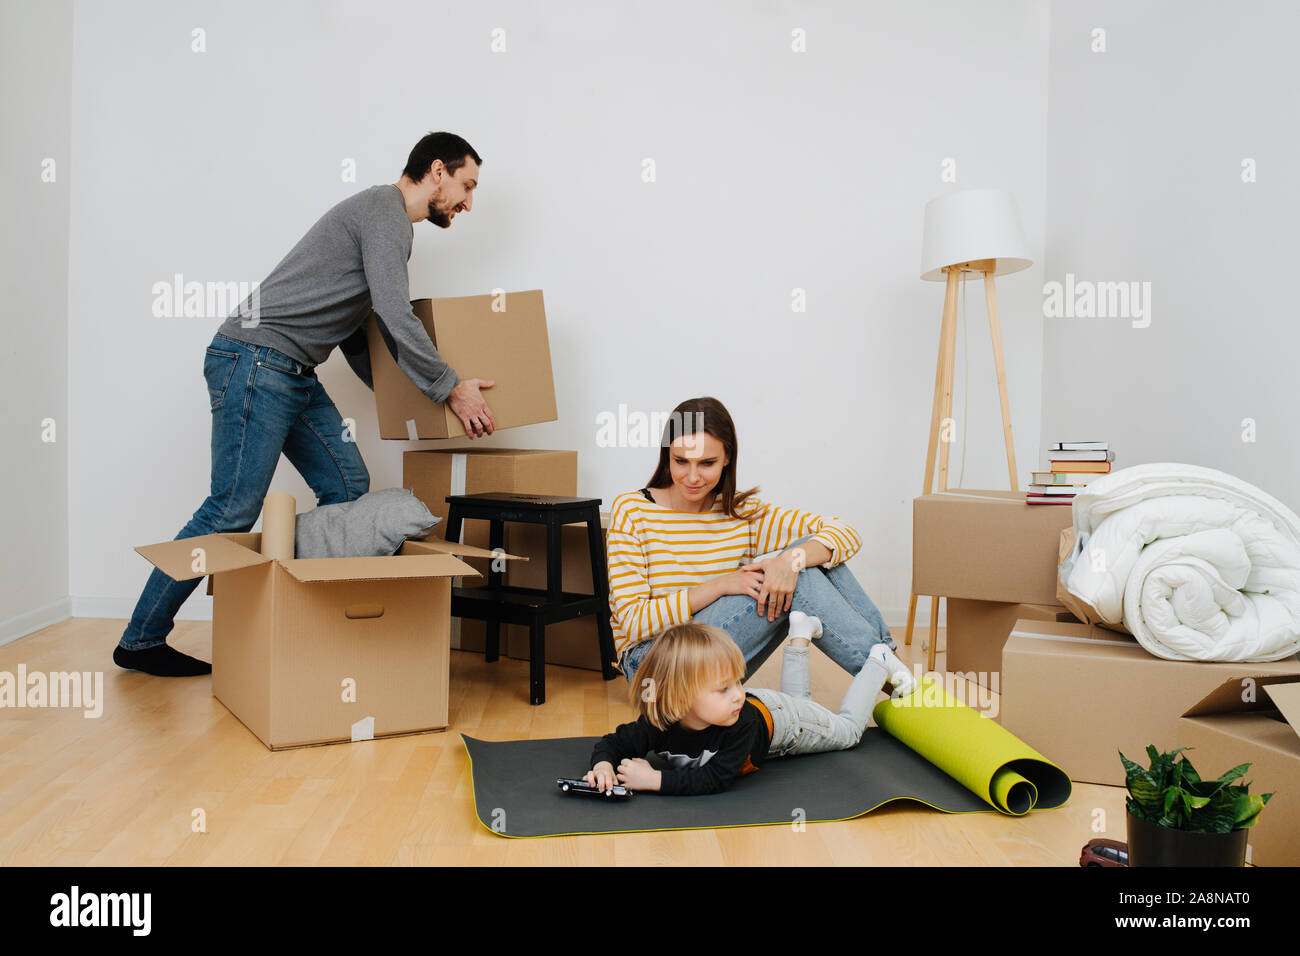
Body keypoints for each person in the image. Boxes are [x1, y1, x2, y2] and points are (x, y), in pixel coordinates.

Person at [115, 131, 497, 677]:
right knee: (231, 509)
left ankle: (311, 621)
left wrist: (406, 403)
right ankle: (141, 639)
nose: (467, 202)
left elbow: (353, 330)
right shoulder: (384, 212)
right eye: (466, 185)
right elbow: (394, 314)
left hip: (292, 371)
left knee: (346, 488)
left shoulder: (383, 222)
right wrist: (449, 387)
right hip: (255, 361)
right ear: (437, 170)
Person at [606, 395, 899, 687]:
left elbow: (844, 531)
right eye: (681, 461)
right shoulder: (633, 510)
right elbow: (635, 623)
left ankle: (890, 667)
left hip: (710, 655)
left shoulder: (739, 513)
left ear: (727, 459)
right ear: (666, 455)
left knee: (803, 559)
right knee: (802, 577)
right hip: (654, 665)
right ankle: (895, 676)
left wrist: (788, 561)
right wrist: (721, 585)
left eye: (707, 463)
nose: (692, 477)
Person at [584, 620, 914, 795]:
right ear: (679, 698)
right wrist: (603, 766)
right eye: (723, 688)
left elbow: (714, 778)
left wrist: (654, 780)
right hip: (774, 707)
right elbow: (614, 742)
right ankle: (799, 635)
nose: (737, 694)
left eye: (737, 682)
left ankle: (878, 660)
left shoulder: (738, 723)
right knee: (800, 701)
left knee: (846, 732)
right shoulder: (659, 722)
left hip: (788, 726)